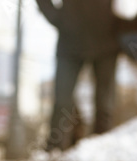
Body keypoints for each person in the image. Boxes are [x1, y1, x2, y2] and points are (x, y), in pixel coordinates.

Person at [38, 0, 123, 152]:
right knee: (62, 100)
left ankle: (102, 151)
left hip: (107, 40)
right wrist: (57, 18)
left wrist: (124, 23)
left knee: (105, 102)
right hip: (70, 42)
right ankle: (55, 150)